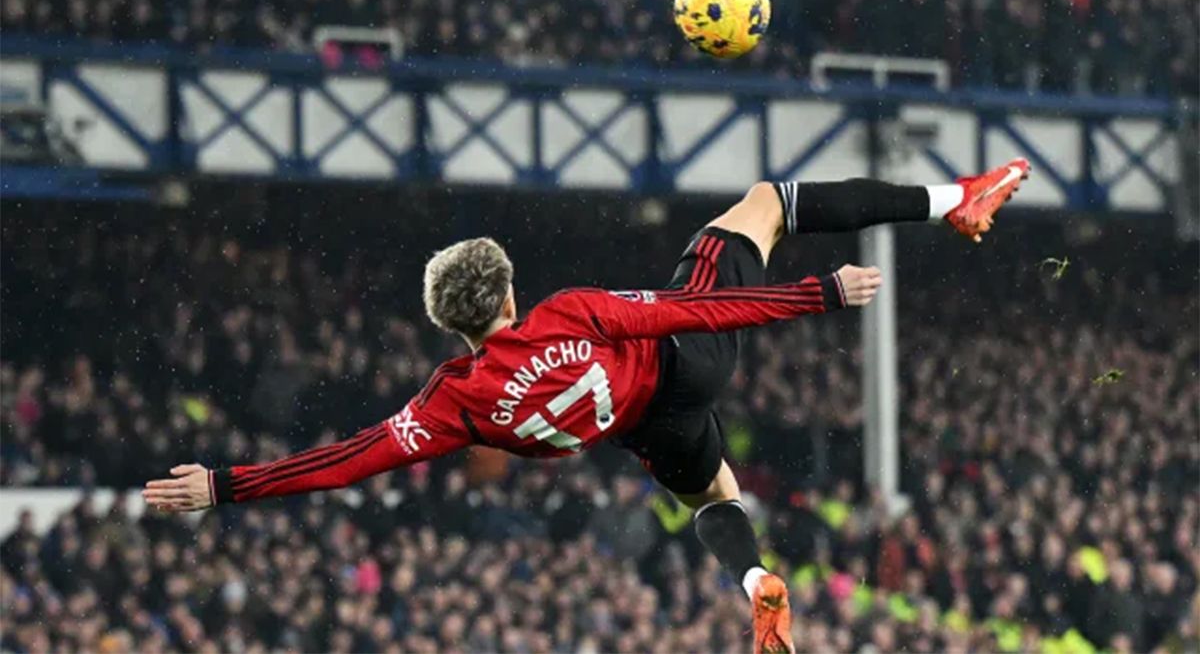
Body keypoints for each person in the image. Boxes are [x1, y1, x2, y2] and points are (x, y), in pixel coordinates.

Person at [144, 158, 1031, 654]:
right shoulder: (566, 313)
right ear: (509, 292)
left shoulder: (455, 400)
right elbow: (692, 308)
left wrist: (224, 486)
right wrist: (817, 295)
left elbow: (348, 458)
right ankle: (956, 200)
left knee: (715, 499)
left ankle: (755, 582)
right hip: (683, 362)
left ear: (448, 324)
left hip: (639, 427)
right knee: (766, 202)